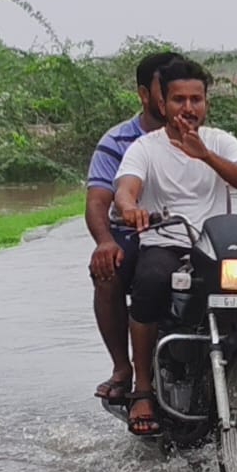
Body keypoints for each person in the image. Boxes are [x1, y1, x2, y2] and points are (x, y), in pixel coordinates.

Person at [113, 57, 237, 435]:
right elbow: (126, 189)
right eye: (179, 99)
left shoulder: (221, 141)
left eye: (197, 99)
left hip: (215, 247)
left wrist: (204, 155)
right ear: (162, 104)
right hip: (167, 242)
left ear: (206, 103)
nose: (189, 107)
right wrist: (130, 209)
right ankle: (143, 389)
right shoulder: (145, 148)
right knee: (149, 282)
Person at [85, 49, 182, 404]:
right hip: (134, 232)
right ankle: (124, 368)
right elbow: (100, 200)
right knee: (108, 269)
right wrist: (104, 241)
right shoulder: (119, 142)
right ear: (144, 94)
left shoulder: (206, 139)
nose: (177, 101)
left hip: (188, 232)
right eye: (166, 90)